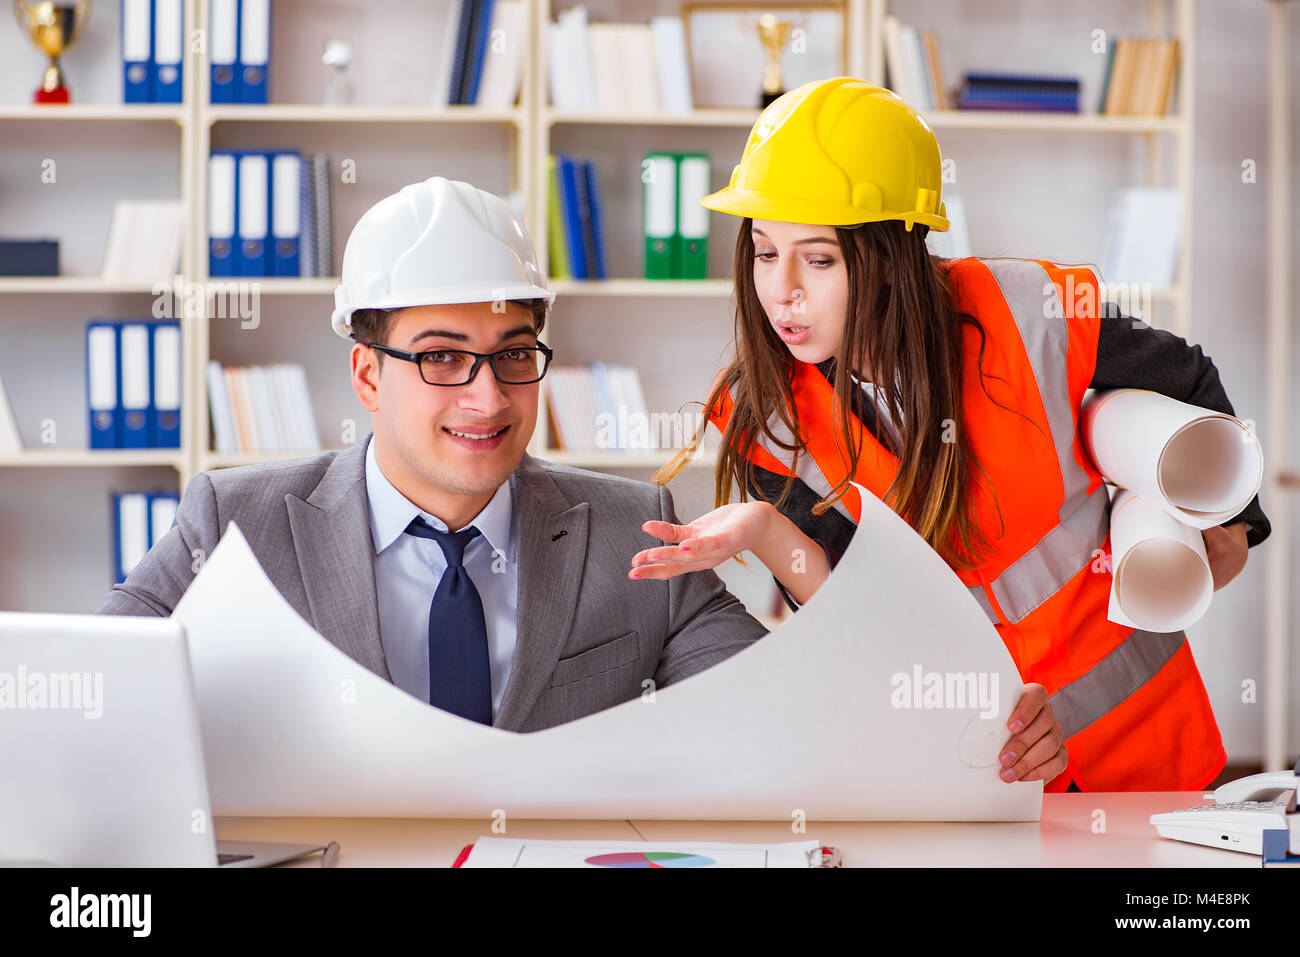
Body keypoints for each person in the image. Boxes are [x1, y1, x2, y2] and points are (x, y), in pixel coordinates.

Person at [632, 77, 1271, 792]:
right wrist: (763, 529)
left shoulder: (1025, 313)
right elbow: (856, 615)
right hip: (972, 764)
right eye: (762, 251)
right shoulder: (770, 422)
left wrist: (1233, 527)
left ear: (890, 256)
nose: (781, 290)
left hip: (1145, 751)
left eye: (817, 259)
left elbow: (1185, 376)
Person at [96, 176, 768, 732]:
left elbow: (782, 719)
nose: (489, 396)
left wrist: (785, 539)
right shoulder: (235, 524)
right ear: (367, 377)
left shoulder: (636, 532)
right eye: (442, 356)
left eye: (512, 353)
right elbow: (87, 694)